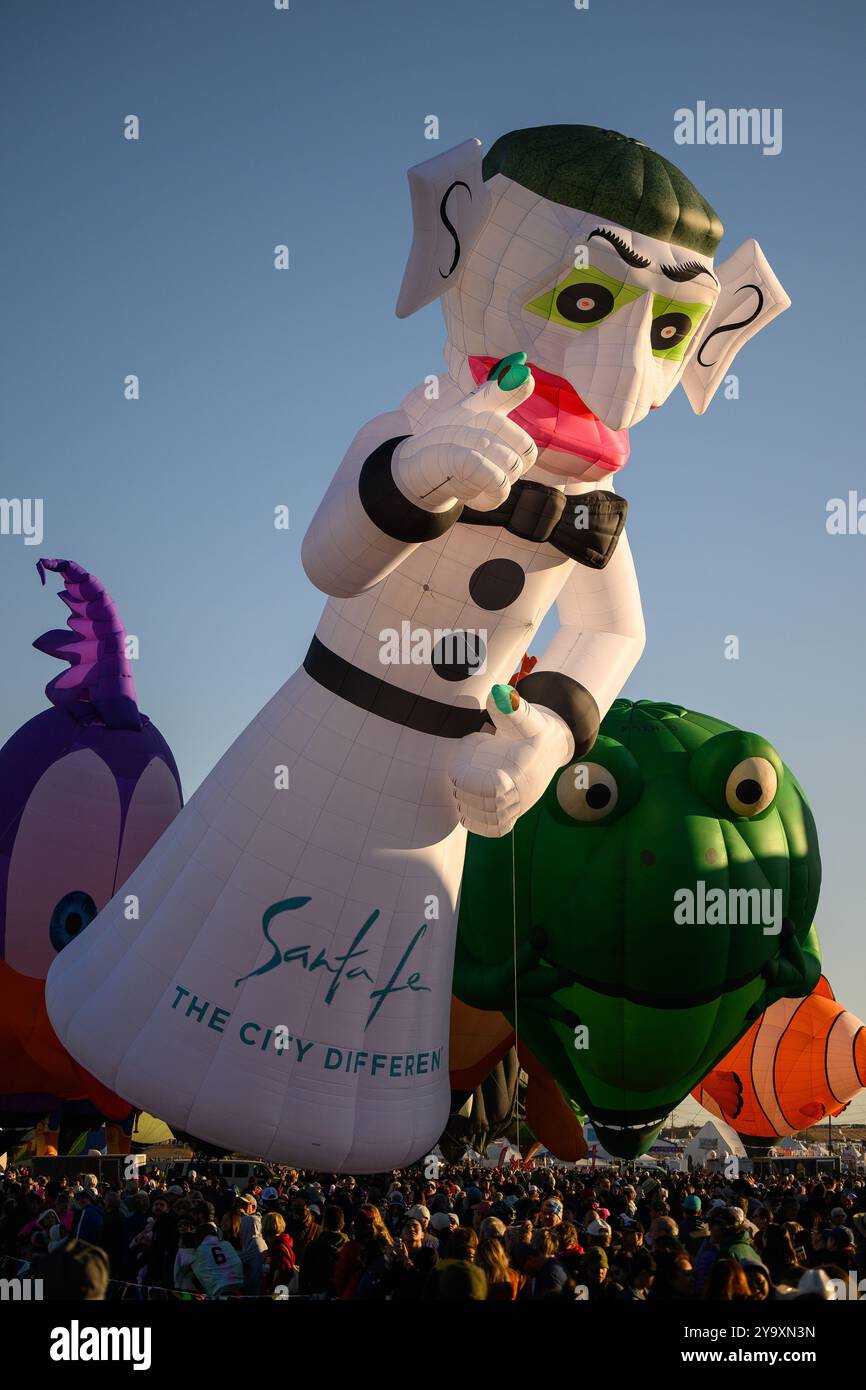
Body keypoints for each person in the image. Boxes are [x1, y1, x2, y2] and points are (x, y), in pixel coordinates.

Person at [299, 1205, 348, 1297]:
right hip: (342, 1294)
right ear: (343, 1224)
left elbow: (303, 1279)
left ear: (324, 1223)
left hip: (316, 1294)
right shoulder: (348, 1247)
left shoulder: (312, 1247)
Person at [190, 1223, 244, 1298]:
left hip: (218, 1287)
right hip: (238, 1283)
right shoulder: (226, 1244)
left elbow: (198, 1271)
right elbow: (236, 1262)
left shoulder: (199, 1250)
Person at [261, 1212, 297, 1295]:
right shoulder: (278, 1245)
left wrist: (273, 1291)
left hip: (279, 1292)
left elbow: (285, 1273)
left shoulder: (279, 1247)